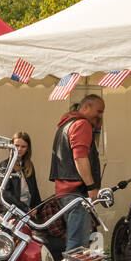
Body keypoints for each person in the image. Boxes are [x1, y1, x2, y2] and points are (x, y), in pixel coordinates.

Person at [49, 93, 105, 252]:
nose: (100, 116)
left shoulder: (66, 125)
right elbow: (80, 158)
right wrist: (92, 186)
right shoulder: (81, 125)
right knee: (77, 248)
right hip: (76, 194)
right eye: (99, 111)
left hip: (66, 193)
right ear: (86, 107)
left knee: (75, 242)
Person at [12, 131, 42, 209]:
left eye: (23, 146)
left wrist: (37, 208)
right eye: (16, 145)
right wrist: (25, 208)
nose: (19, 149)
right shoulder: (5, 165)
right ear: (11, 146)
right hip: (13, 209)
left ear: (28, 148)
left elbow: (35, 189)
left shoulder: (29, 165)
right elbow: (6, 194)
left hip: (29, 209)